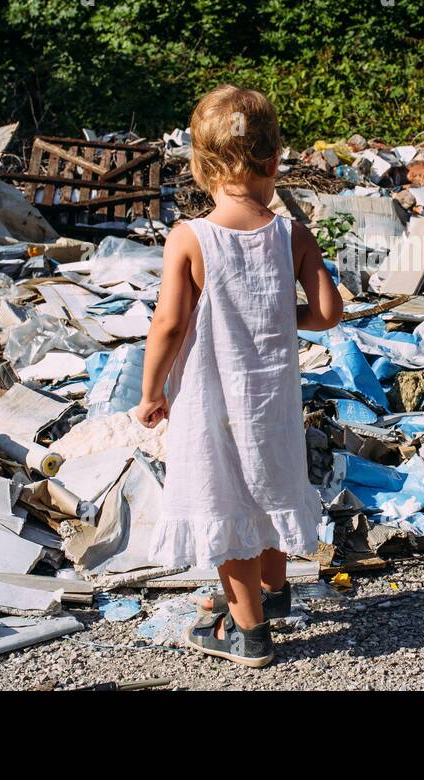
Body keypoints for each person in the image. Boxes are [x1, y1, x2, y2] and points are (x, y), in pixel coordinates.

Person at [136, 84, 343, 668]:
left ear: (201, 167)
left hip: (210, 400)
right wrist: (280, 317)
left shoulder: (191, 237)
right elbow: (328, 313)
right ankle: (275, 595)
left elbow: (169, 326)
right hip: (271, 402)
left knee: (228, 508)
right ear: (275, 160)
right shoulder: (291, 234)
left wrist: (151, 392)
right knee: (270, 488)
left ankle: (248, 634)